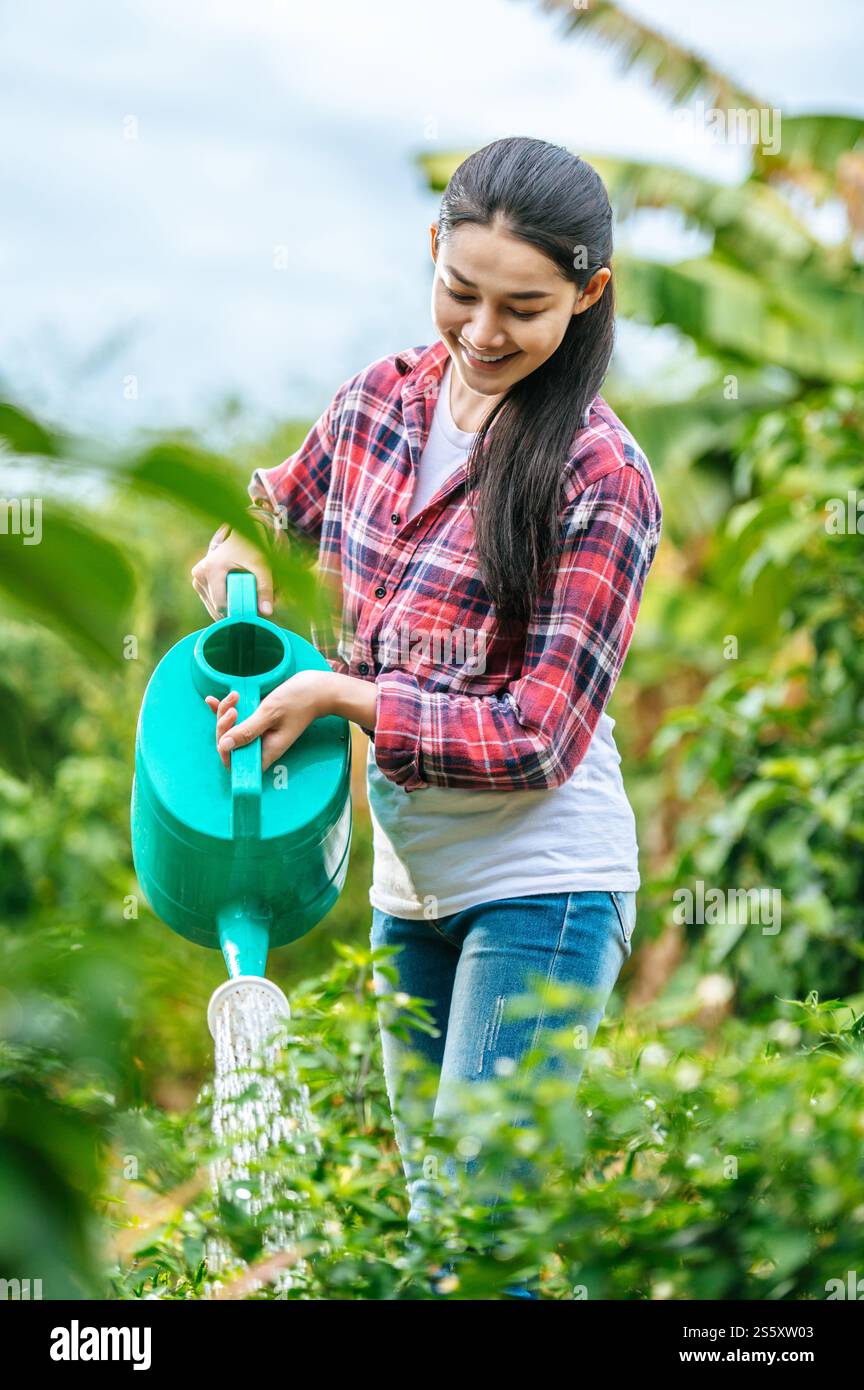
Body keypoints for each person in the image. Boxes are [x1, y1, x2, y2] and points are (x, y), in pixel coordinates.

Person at [190, 136, 662, 1298]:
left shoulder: (600, 478)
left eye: (525, 307)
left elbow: (538, 736)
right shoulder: (378, 403)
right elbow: (270, 516)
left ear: (588, 296)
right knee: (439, 1221)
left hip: (543, 886)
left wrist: (347, 695)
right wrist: (236, 554)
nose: (484, 332)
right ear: (432, 254)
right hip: (410, 890)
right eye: (461, 292)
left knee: (470, 1238)